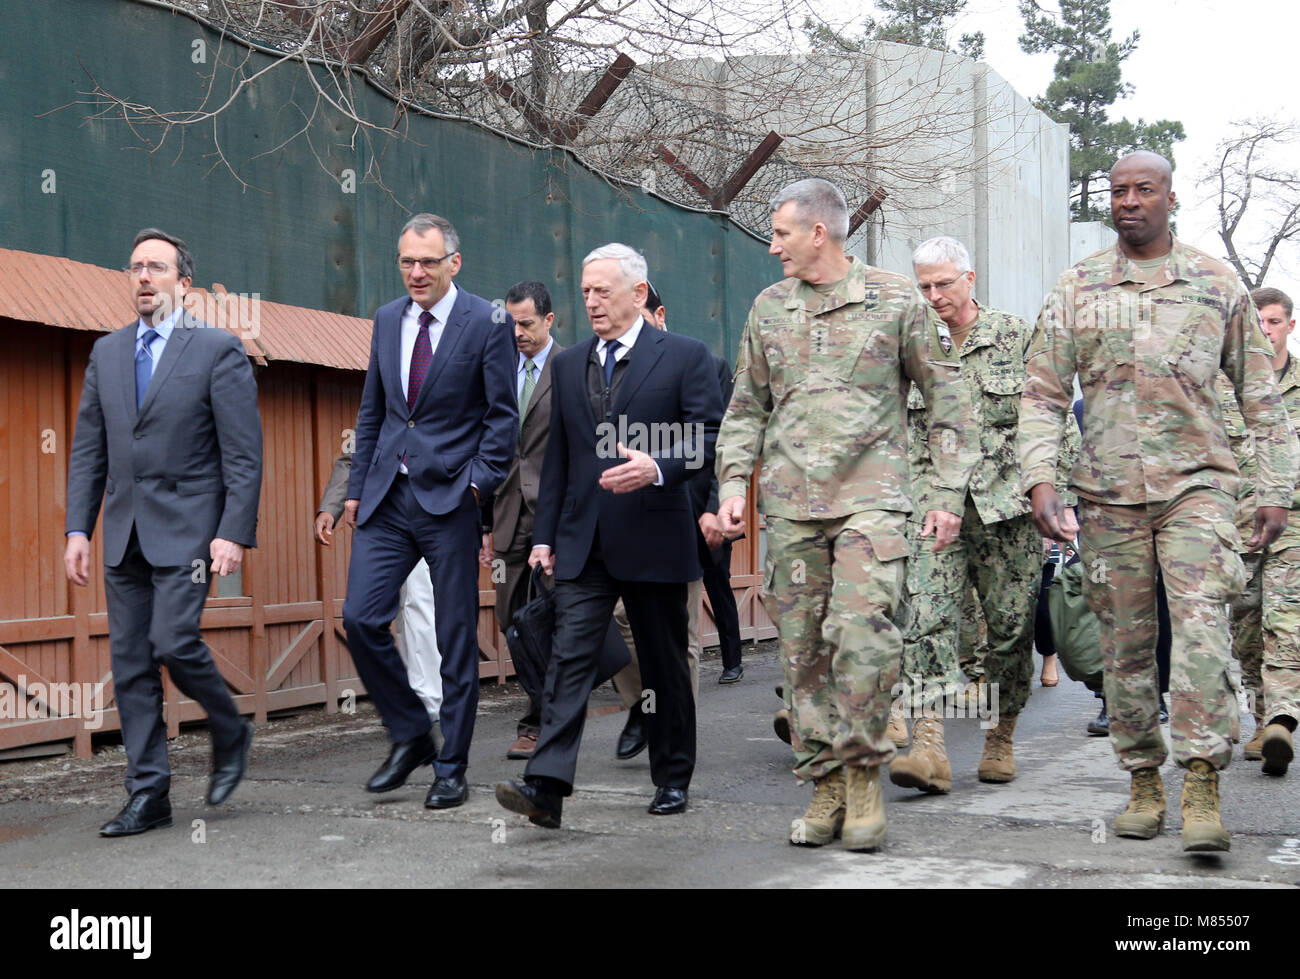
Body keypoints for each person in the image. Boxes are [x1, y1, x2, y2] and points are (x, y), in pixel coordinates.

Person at [1019, 150, 1295, 852]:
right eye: (1118, 191)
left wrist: (1275, 487)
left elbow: (1262, 397)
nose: (1129, 201)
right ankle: (1143, 777)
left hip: (1197, 487)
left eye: (1145, 189)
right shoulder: (1078, 287)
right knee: (1127, 645)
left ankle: (1202, 779)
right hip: (1108, 494)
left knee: (1202, 630)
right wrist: (1041, 478)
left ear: (1171, 197)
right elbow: (1044, 394)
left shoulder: (1214, 282)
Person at [716, 179, 975, 852]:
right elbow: (747, 407)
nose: (772, 246)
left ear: (818, 233)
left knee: (861, 637)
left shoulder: (895, 302)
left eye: (780, 233)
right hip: (792, 510)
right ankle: (824, 781)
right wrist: (730, 487)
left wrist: (946, 496)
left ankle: (863, 778)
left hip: (872, 500)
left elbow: (948, 403)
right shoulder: (768, 308)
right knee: (803, 654)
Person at [494, 243, 722, 826]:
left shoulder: (685, 356)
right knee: (569, 659)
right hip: (582, 541)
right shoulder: (568, 365)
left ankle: (672, 777)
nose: (591, 302)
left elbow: (709, 436)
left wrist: (659, 466)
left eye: (603, 291)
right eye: (586, 292)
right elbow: (560, 461)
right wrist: (544, 537)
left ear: (638, 294)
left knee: (664, 665)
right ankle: (546, 787)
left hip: (655, 537)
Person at [65, 228, 262, 836]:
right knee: (130, 666)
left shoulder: (216, 350)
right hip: (123, 533)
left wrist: (233, 531)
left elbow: (243, 454)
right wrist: (79, 527)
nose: (143, 277)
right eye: (134, 268)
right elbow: (88, 449)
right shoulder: (107, 353)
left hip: (190, 534)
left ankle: (228, 726)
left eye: (156, 267)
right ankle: (149, 793)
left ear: (184, 283)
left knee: (173, 641)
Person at [341, 213, 517, 809]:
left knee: (454, 636)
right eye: (406, 262)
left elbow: (502, 418)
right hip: (389, 497)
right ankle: (413, 732)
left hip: (451, 501)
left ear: (454, 263)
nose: (415, 272)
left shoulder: (488, 322)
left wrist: (476, 486)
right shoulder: (389, 318)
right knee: (361, 619)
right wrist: (356, 486)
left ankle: (451, 765)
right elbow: (375, 410)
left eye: (427, 262)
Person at [892, 235, 1072, 792]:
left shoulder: (1015, 337)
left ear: (970, 279)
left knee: (1010, 632)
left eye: (944, 283)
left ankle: (1000, 735)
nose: (934, 295)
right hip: (932, 508)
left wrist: (1053, 499)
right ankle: (929, 745)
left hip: (1009, 510)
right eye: (924, 287)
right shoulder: (912, 344)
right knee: (927, 619)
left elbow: (1048, 419)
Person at [477, 280, 562, 760]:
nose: (517, 332)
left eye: (526, 323)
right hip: (508, 518)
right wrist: (484, 526)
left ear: (548, 321)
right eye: (510, 323)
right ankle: (546, 709)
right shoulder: (496, 370)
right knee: (515, 624)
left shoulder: (571, 367)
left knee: (556, 623)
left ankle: (538, 724)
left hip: (556, 518)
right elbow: (485, 446)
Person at [1223, 287, 1300, 775]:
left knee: (1286, 622)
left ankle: (1281, 719)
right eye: (1258, 322)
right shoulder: (1222, 387)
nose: (1265, 330)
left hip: (1293, 524)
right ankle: (1260, 720)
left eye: (1274, 322)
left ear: (1290, 325)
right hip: (1237, 527)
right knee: (1246, 631)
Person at [316, 451, 442, 725]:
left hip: (425, 509)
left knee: (417, 602)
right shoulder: (378, 408)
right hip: (379, 521)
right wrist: (330, 507)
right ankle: (403, 700)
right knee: (366, 615)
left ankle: (427, 699)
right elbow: (353, 457)